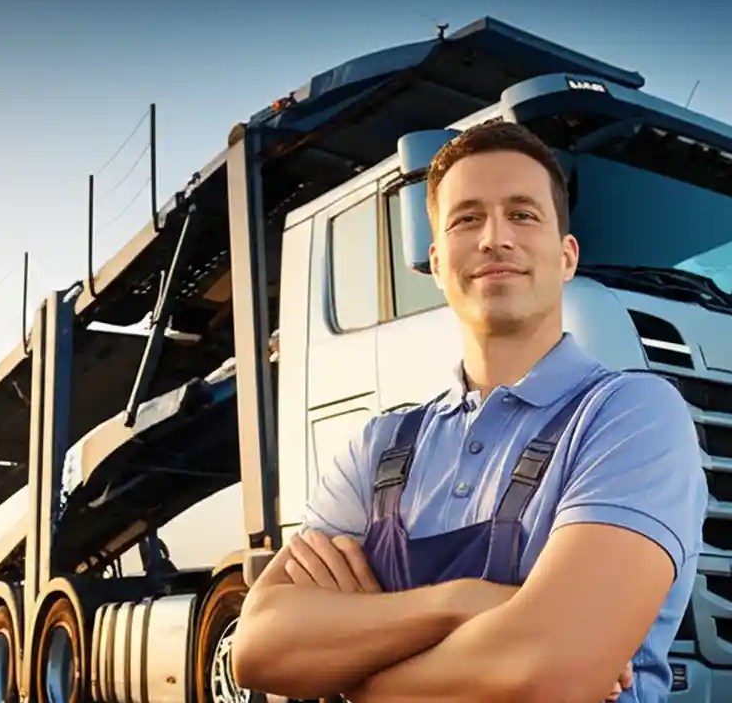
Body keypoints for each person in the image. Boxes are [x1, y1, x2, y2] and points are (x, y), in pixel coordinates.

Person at [230, 120, 708, 703]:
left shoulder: (629, 416)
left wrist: (355, 676)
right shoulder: (379, 447)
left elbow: (551, 671)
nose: (493, 238)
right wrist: (461, 602)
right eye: (467, 218)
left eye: (523, 214)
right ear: (435, 263)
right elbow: (256, 649)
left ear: (566, 257)